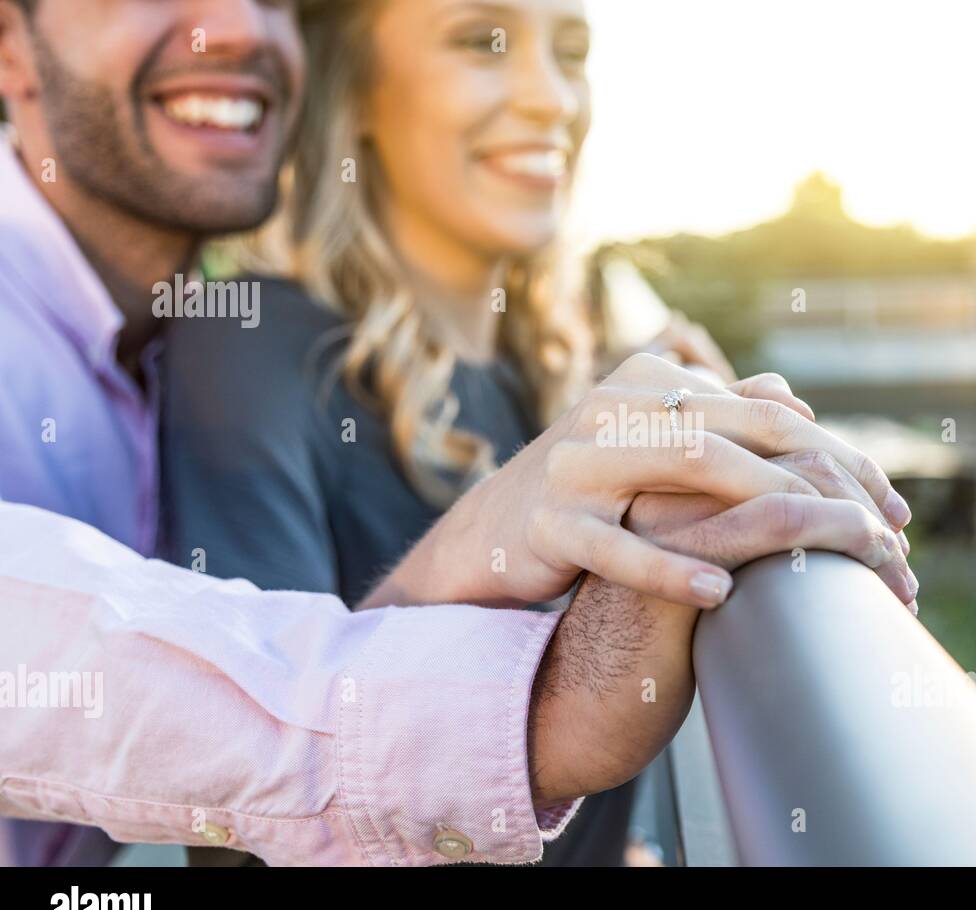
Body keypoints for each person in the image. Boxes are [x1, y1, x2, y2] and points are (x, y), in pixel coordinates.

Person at [0, 0, 916, 866]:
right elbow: (234, 834)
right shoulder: (251, 348)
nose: (550, 98)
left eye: (572, 53)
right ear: (352, 89)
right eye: (481, 38)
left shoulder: (568, 369)